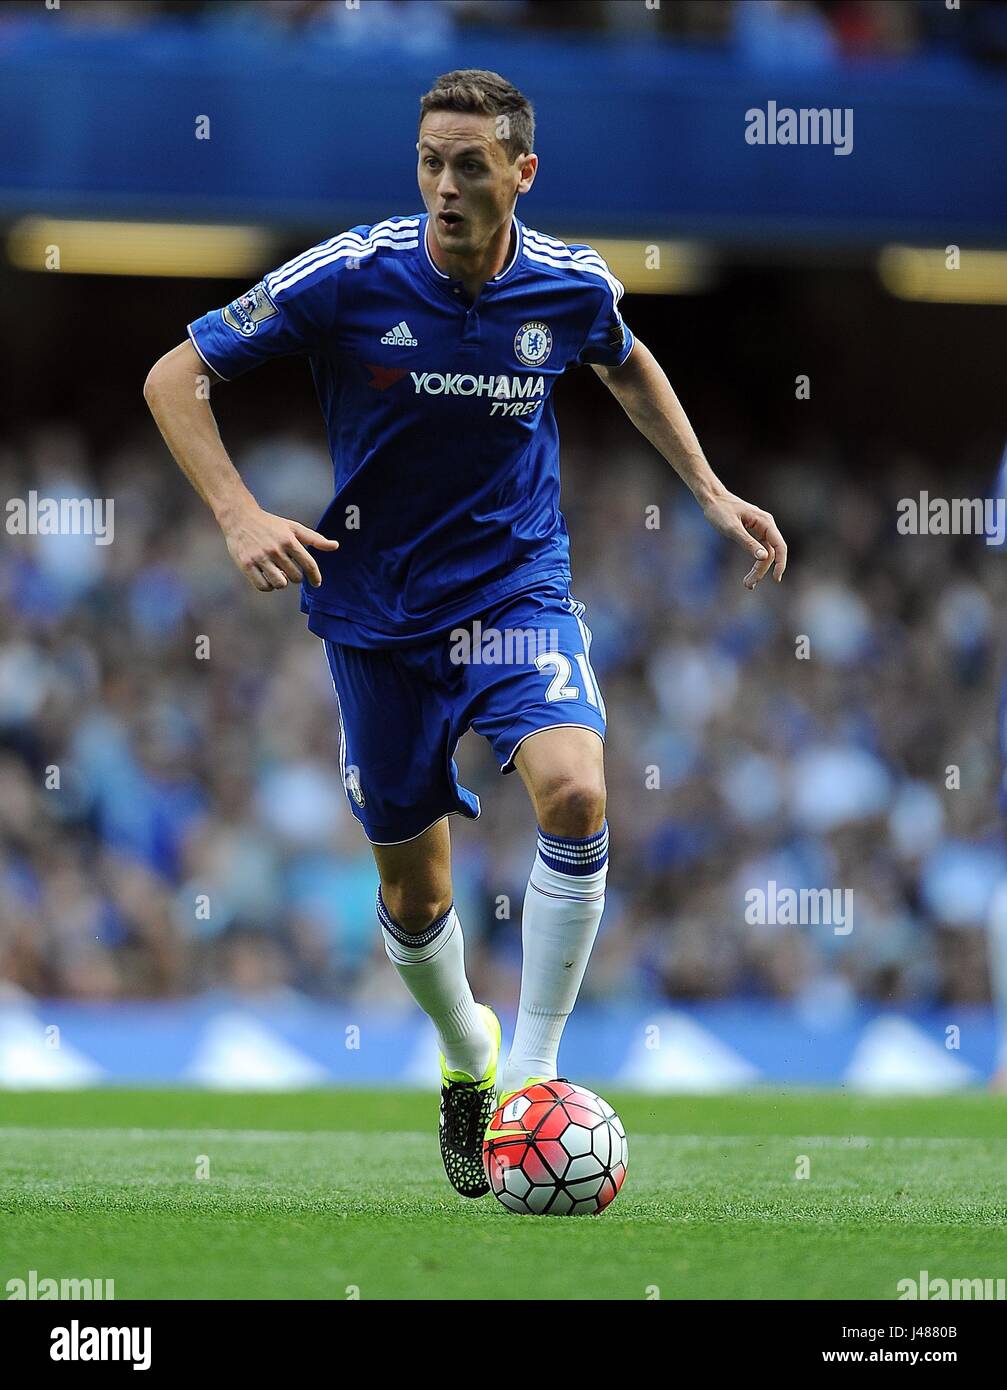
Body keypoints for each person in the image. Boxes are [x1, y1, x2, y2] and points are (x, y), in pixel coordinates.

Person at [144, 68, 787, 1198]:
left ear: (520, 174)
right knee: (416, 897)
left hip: (513, 593)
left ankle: (530, 1078)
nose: (445, 184)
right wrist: (239, 514)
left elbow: (624, 359)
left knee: (578, 793)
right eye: (431, 162)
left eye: (470, 164)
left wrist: (705, 488)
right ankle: (469, 1053)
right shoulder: (351, 273)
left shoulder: (565, 284)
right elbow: (173, 373)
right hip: (377, 616)